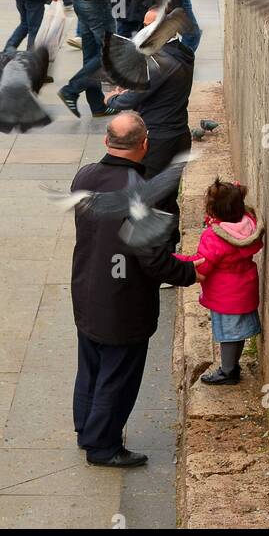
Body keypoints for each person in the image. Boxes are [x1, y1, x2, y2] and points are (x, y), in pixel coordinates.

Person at [70, 111, 197, 466]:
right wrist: (192, 272)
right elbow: (153, 261)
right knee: (117, 376)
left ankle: (87, 430)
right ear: (144, 145)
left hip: (86, 289)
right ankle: (103, 447)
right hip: (123, 303)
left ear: (106, 141)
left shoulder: (85, 176)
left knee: (91, 366)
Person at [104, 5, 195, 241]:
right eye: (144, 26)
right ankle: (171, 245)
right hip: (179, 135)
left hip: (159, 139)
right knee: (167, 195)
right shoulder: (182, 51)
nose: (143, 31)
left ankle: (151, 251)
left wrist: (113, 97)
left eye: (149, 26)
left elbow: (132, 98)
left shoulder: (160, 60)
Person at [176, 178, 264, 386]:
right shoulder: (248, 226)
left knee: (228, 335)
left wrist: (175, 260)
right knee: (238, 333)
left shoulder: (215, 238)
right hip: (245, 287)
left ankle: (227, 371)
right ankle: (232, 365)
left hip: (225, 295)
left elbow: (202, 265)